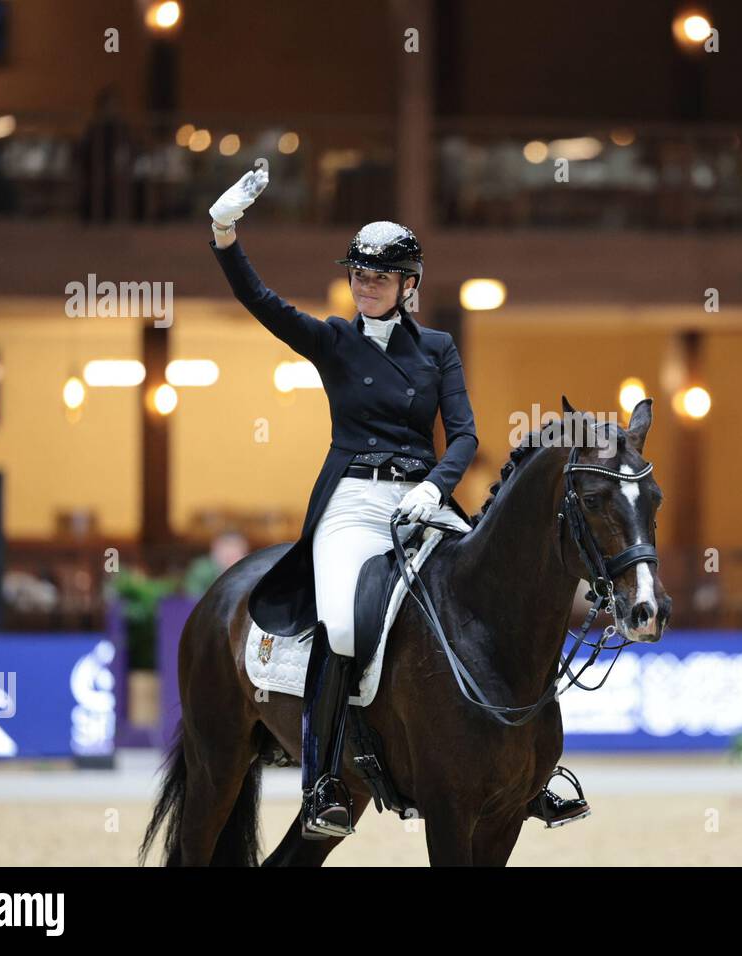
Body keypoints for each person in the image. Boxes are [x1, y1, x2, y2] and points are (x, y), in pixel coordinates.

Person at [207, 169, 589, 837]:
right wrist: (224, 232)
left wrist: (434, 486)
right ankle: (325, 778)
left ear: (409, 284)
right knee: (348, 624)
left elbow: (466, 433)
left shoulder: (437, 350)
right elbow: (261, 301)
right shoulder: (332, 338)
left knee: (496, 595)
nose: (365, 285)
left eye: (379, 276)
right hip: (353, 501)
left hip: (420, 496)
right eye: (359, 274)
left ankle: (530, 767)